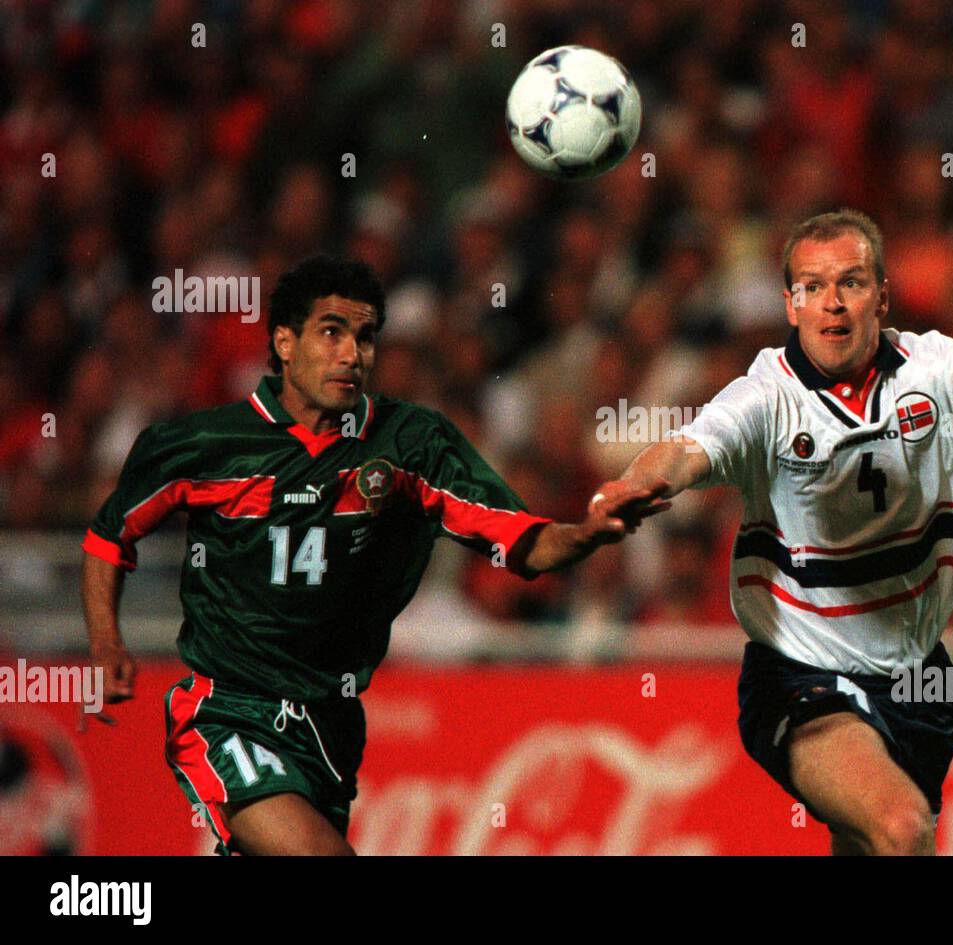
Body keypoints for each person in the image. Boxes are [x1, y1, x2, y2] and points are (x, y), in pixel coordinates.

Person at [80, 255, 663, 855]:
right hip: (228, 712)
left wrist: (587, 531)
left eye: (364, 336)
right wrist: (105, 644)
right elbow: (108, 536)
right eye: (331, 332)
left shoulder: (409, 444)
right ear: (284, 341)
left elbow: (525, 542)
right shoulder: (205, 445)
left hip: (331, 725)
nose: (351, 353)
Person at [595, 209, 953, 855]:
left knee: (867, 845)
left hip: (917, 679)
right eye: (812, 286)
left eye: (850, 281)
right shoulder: (767, 398)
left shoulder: (935, 372)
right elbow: (689, 448)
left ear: (882, 295)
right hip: (803, 669)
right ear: (790, 305)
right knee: (901, 827)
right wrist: (635, 482)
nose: (833, 302)